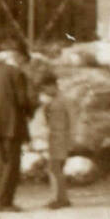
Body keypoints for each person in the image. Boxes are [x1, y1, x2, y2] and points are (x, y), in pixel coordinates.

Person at [0, 41, 34, 212]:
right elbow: (22, 101)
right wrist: (33, 108)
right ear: (19, 57)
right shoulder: (16, 73)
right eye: (24, 60)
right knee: (11, 165)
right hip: (12, 126)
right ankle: (4, 202)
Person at [38, 72, 73, 210]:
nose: (44, 91)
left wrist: (71, 139)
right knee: (56, 169)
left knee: (54, 168)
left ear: (53, 85)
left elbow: (71, 120)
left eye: (45, 88)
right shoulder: (54, 100)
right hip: (55, 137)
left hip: (60, 137)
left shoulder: (62, 100)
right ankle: (61, 198)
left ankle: (59, 199)